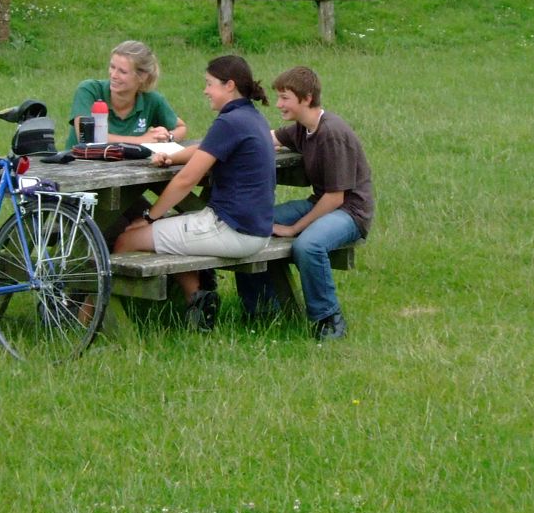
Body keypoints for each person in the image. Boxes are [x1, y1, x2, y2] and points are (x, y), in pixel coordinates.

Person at [111, 54, 275, 329]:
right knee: (169, 230)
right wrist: (172, 157)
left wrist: (150, 217)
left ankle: (100, 317)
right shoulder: (250, 116)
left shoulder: (229, 122)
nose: (205, 90)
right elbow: (204, 149)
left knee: (127, 240)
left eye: (209, 83)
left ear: (229, 85)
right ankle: (197, 298)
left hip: (232, 229)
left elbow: (186, 180)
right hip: (256, 228)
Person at [261, 65, 373, 341]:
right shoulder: (303, 128)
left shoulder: (331, 134)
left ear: (307, 98)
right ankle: (263, 308)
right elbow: (269, 137)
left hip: (349, 212)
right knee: (254, 222)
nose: (278, 104)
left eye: (285, 98)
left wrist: (293, 228)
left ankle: (329, 319)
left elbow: (336, 197)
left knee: (308, 245)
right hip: (322, 204)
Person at [71, 40, 186, 145]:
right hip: (80, 160)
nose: (113, 75)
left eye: (122, 71)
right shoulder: (89, 90)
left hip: (132, 161)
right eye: (112, 67)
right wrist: (141, 140)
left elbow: (181, 128)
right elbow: (87, 137)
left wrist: (167, 137)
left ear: (142, 76)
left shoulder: (151, 100)